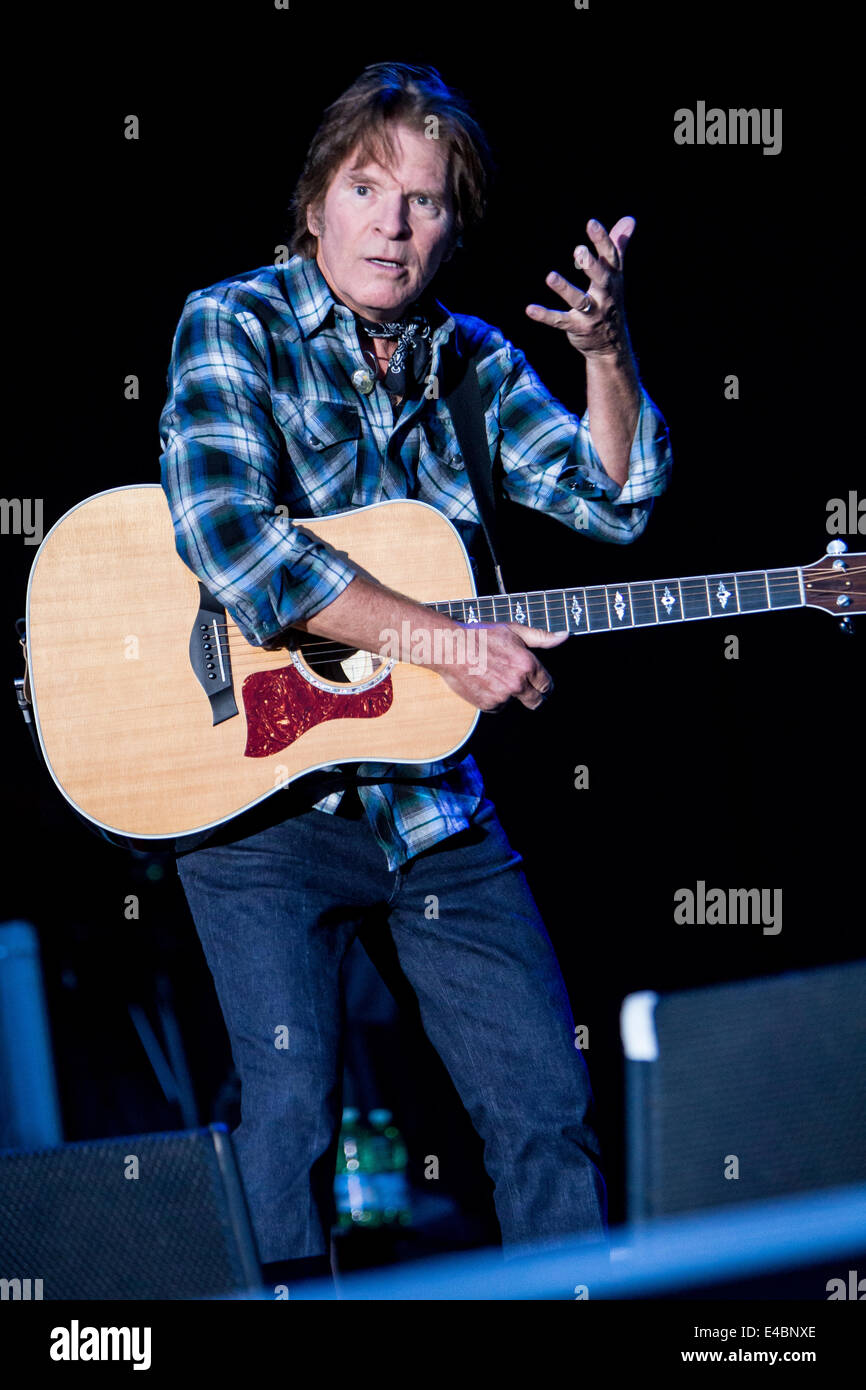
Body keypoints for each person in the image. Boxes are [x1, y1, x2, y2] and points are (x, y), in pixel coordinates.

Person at [158, 61, 672, 1289]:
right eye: (368, 187)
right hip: (261, 800)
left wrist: (606, 351)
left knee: (545, 1103)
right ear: (315, 202)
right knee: (292, 1113)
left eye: (427, 201)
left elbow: (613, 501)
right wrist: (450, 642)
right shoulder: (233, 321)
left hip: (432, 798)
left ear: (452, 228)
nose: (393, 224)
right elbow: (234, 542)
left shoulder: (471, 359)